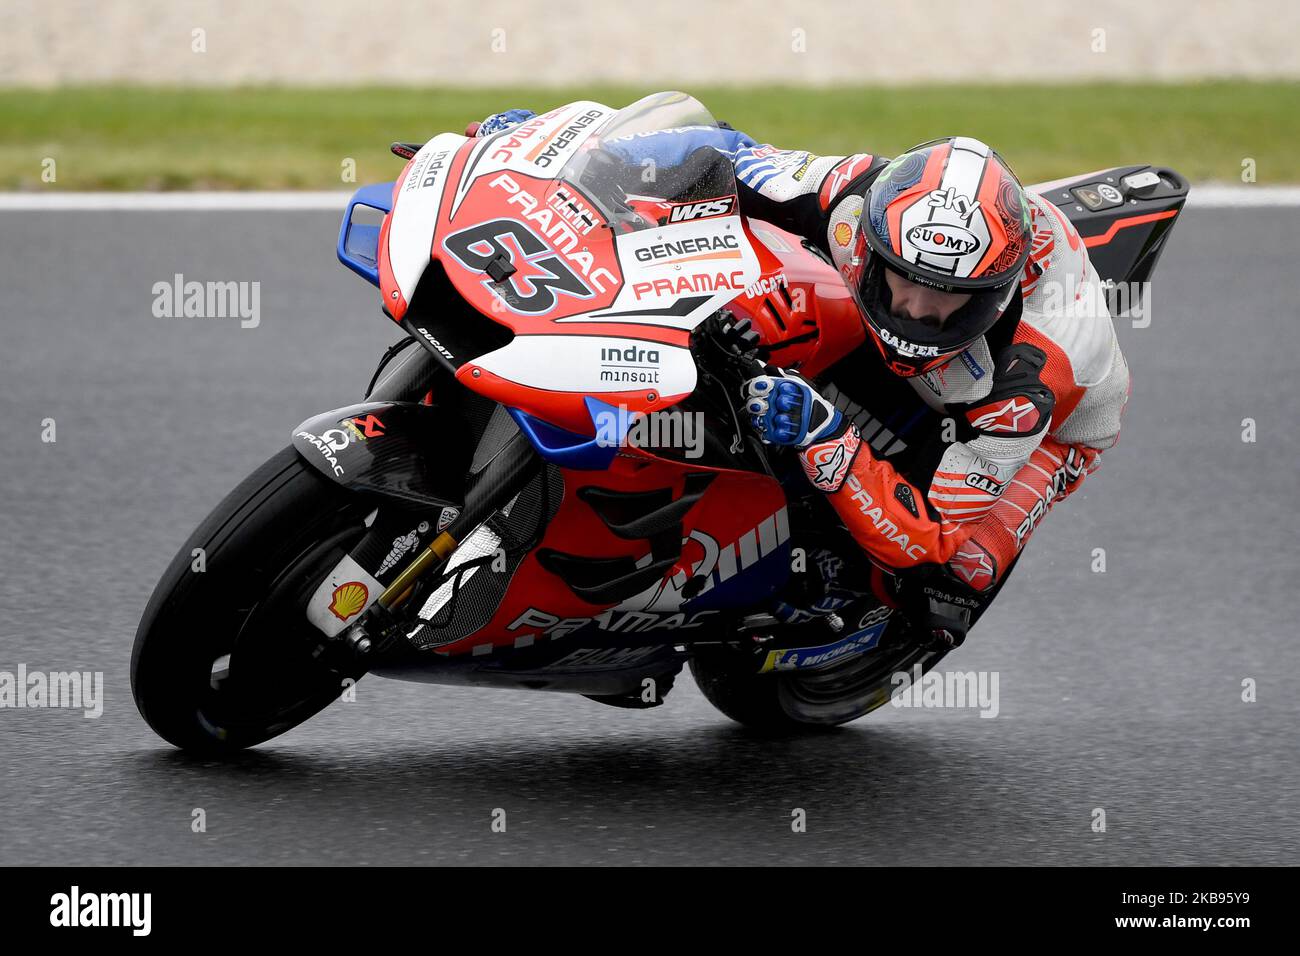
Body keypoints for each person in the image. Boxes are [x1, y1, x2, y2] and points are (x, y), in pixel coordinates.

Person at [472, 110, 1130, 647]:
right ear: (874, 239)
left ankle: (847, 629)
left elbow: (932, 536)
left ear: (990, 296)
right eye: (904, 280)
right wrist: (554, 155)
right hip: (928, 356)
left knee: (951, 573)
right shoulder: (856, 196)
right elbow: (725, 150)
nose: (915, 311)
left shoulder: (1029, 383)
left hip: (1056, 431)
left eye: (947, 300)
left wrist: (827, 437)